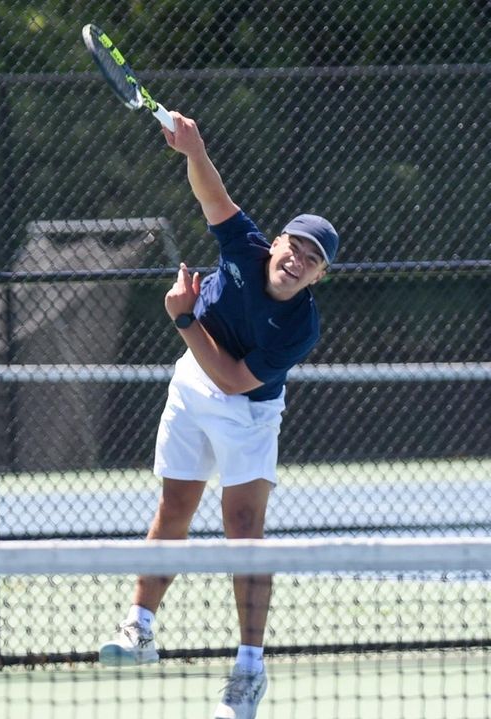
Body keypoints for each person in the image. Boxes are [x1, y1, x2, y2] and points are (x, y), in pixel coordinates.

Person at [95, 111, 340, 719]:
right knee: (174, 507)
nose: (298, 259)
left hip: (246, 414)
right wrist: (193, 147)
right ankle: (140, 626)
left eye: (312, 259)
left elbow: (234, 379)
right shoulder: (245, 244)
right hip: (190, 388)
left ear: (318, 276)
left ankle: (249, 671)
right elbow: (213, 192)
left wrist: (184, 318)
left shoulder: (300, 326)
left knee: (244, 535)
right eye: (295, 245)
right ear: (277, 242)